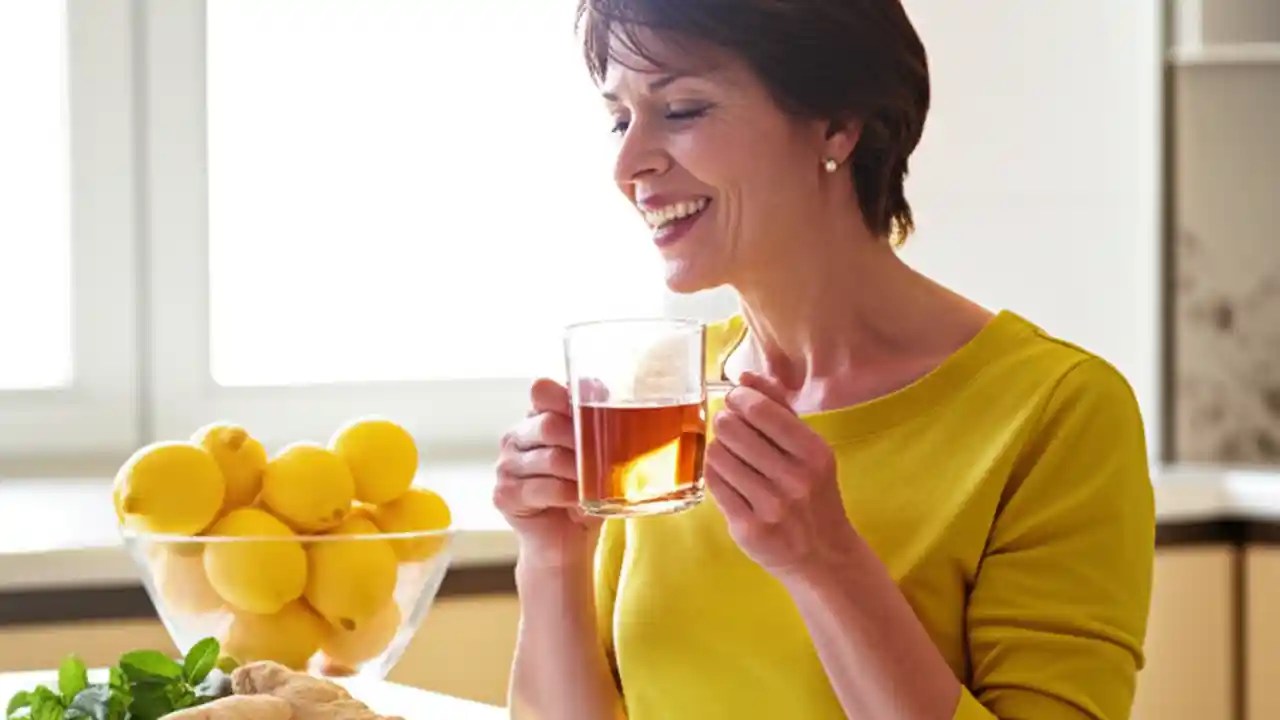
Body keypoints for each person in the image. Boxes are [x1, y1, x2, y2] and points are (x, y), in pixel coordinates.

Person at [493, 0, 1156, 718]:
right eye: (620, 119)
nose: (628, 164)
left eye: (682, 109)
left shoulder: (1056, 412)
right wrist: (553, 557)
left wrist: (827, 564)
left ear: (838, 123)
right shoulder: (660, 393)